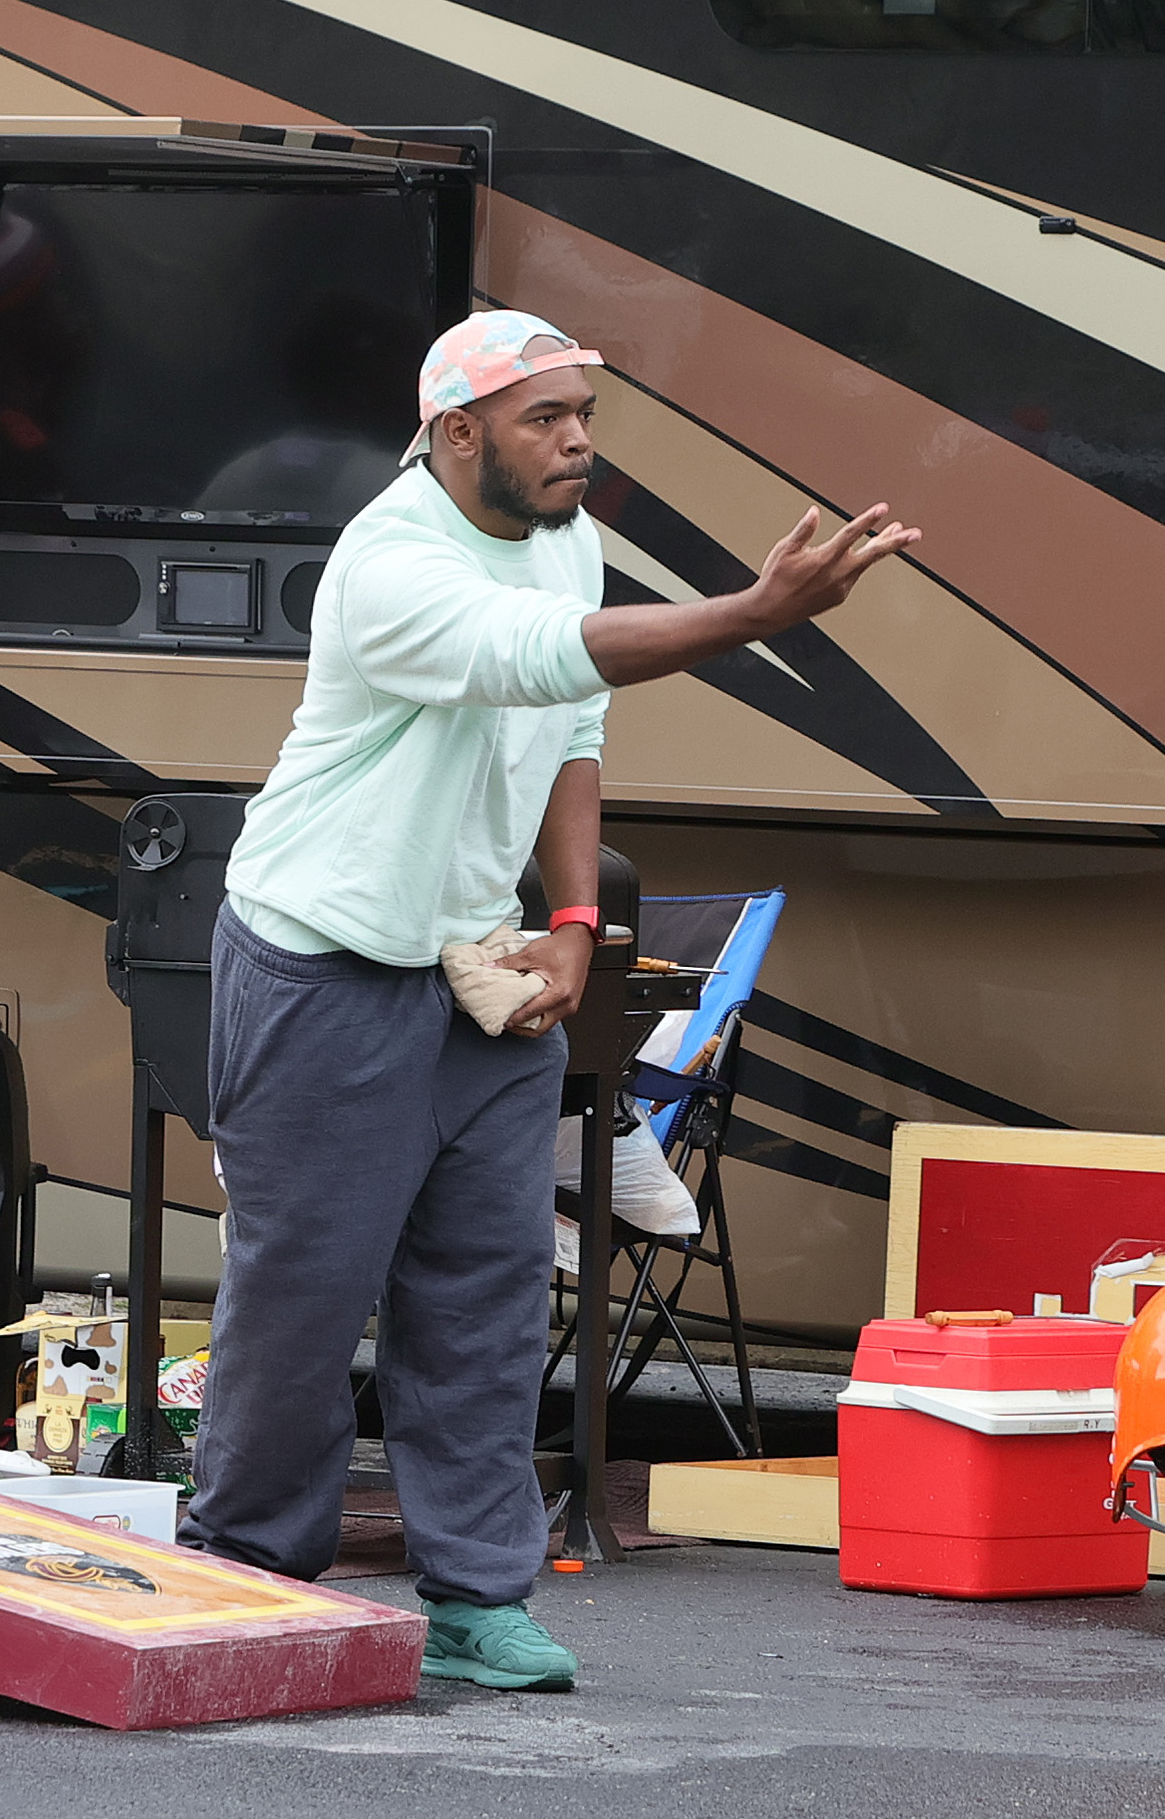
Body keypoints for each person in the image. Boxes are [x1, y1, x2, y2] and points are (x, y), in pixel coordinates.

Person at [182, 312, 916, 1688]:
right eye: (545, 418)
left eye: (583, 412)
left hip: (473, 963)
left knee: (487, 1295)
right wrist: (754, 616)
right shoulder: (390, 560)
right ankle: (243, 1582)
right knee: (303, 1294)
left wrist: (578, 920)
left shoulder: (562, 531)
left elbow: (571, 728)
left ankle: (470, 1600)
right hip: (321, 960)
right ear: (458, 434)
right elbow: (544, 660)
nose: (578, 440)